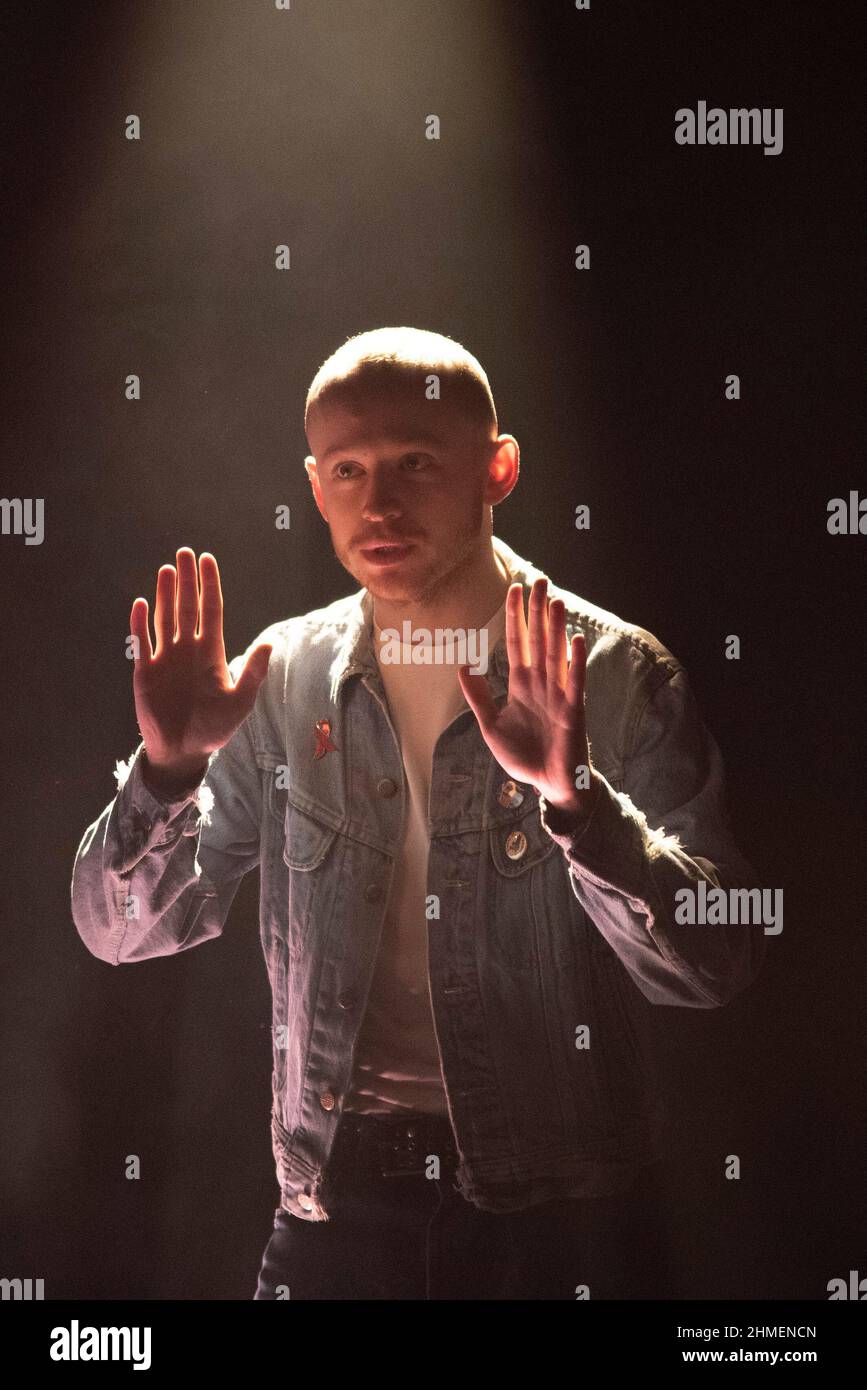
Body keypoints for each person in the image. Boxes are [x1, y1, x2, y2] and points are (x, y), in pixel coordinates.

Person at [71, 326, 765, 1299]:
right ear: (314, 488)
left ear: (498, 468)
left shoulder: (613, 673)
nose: (380, 501)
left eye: (416, 462)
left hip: (564, 1229)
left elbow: (724, 957)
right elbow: (120, 933)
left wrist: (577, 804)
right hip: (332, 1217)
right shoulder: (282, 678)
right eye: (348, 469)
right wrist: (166, 771)